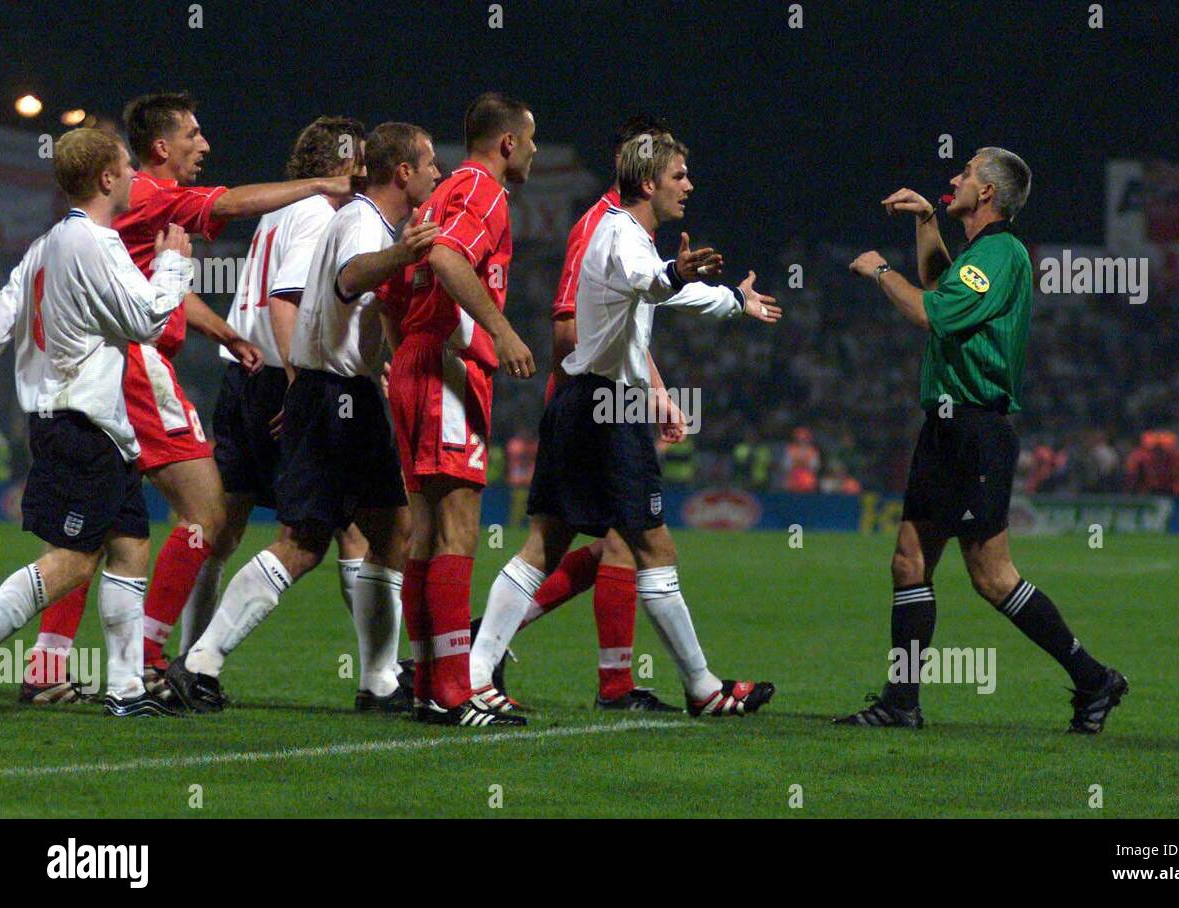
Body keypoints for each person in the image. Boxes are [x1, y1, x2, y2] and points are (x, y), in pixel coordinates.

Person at [24, 92, 356, 703]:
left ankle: (50, 666)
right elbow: (230, 202)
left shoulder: (123, 216)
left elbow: (154, 287)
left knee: (99, 528)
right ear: (160, 148)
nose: (203, 145)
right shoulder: (153, 194)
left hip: (110, 369)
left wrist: (220, 328)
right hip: (137, 369)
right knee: (206, 512)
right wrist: (319, 185)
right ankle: (150, 658)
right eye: (193, 135)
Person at [482, 128, 782, 717]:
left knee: (556, 543)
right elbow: (645, 286)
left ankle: (472, 668)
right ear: (648, 182)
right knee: (648, 543)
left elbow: (656, 295)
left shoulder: (624, 231)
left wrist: (727, 300)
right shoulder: (612, 229)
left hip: (594, 400)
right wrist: (679, 274)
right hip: (602, 406)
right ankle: (698, 687)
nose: (689, 185)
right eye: (679, 175)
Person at [839, 148, 1127, 733]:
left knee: (992, 577)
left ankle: (1095, 679)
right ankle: (901, 702)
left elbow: (931, 314)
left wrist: (876, 270)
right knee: (909, 561)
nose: (954, 177)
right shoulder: (980, 255)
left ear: (989, 191)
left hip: (977, 429)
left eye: (965, 172)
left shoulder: (1002, 254)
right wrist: (927, 221)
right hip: (947, 427)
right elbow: (943, 287)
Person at [166, 123, 440, 713]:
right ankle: (199, 661)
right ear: (400, 172)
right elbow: (337, 283)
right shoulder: (351, 219)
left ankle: (379, 681)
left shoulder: (339, 217)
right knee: (307, 538)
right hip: (323, 390)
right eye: (429, 163)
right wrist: (298, 383)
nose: (436, 174)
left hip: (336, 389)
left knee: (388, 529)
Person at [470, 115, 686, 713]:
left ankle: (486, 644)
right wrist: (593, 401)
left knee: (599, 540)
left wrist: (657, 392)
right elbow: (569, 326)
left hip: (608, 398)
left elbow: (624, 328)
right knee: (618, 539)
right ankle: (617, 684)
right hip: (591, 404)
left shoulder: (628, 231)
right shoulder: (599, 227)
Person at [0, 128, 192, 715]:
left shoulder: (45, 245)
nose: (136, 176)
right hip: (79, 424)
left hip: (88, 426)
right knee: (73, 559)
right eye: (129, 167)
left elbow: (5, 310)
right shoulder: (96, 243)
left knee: (131, 544)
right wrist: (174, 266)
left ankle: (128, 690)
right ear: (106, 179)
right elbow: (147, 320)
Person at [381, 93, 537, 727]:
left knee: (425, 533)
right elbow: (447, 259)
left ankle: (426, 685)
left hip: (421, 363)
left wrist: (406, 355)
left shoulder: (437, 197)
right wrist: (499, 331)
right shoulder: (482, 191)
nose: (529, 149)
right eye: (528, 139)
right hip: (446, 368)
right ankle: (452, 689)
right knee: (456, 530)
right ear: (506, 142)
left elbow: (392, 290)